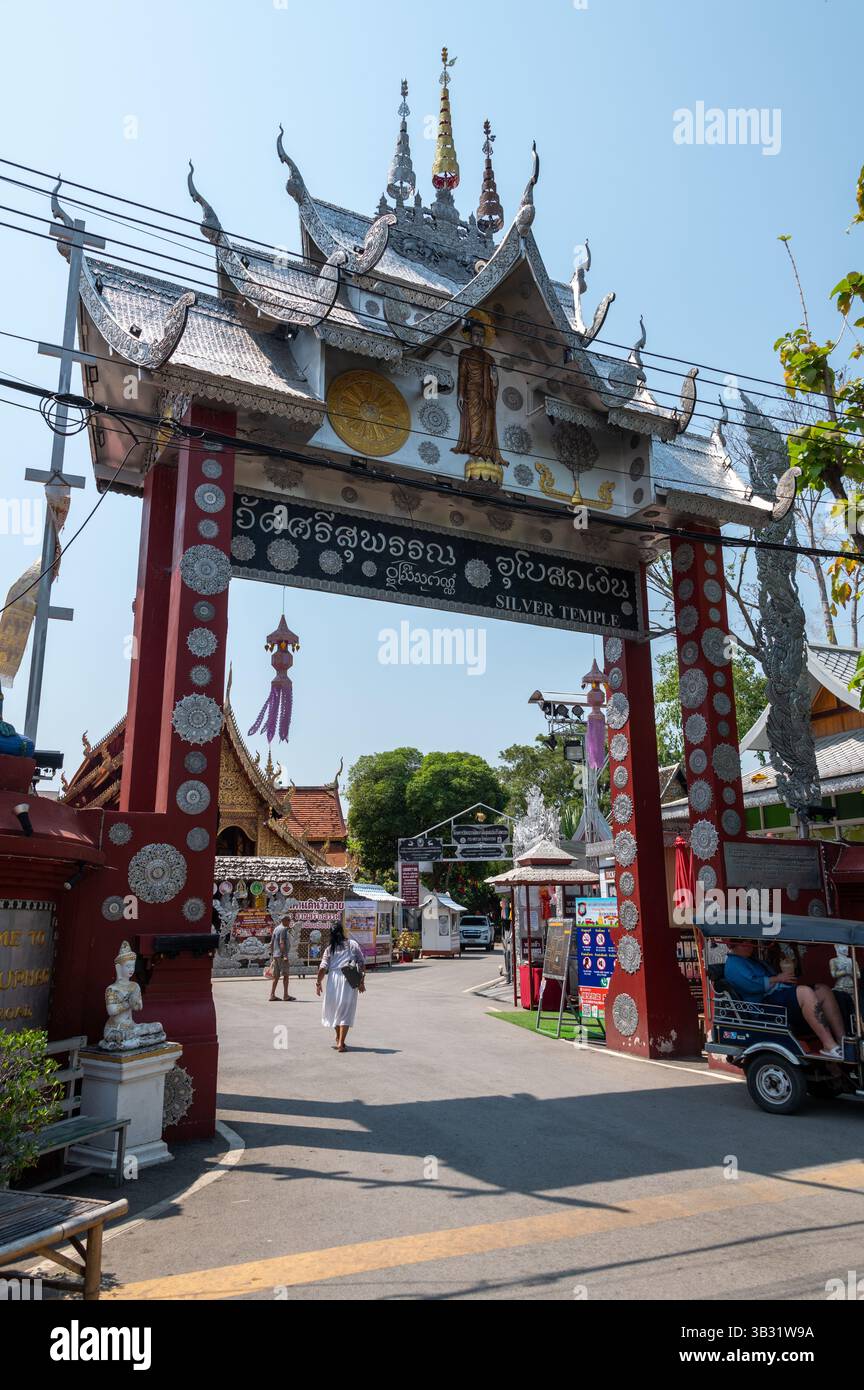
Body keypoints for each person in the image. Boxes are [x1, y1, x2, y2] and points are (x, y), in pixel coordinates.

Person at [723, 939, 846, 1058]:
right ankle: (829, 1045)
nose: (749, 946)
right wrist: (778, 979)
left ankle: (842, 1040)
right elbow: (752, 985)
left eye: (749, 943)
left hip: (777, 994)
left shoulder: (752, 960)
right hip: (762, 1005)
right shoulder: (733, 964)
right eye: (744, 944)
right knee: (805, 992)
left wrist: (784, 979)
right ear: (734, 946)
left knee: (822, 989)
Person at [316, 923, 366, 1052]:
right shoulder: (352, 944)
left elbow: (322, 968)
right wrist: (361, 981)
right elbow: (361, 963)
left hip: (333, 981)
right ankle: (341, 1042)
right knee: (345, 1011)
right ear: (342, 931)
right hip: (349, 980)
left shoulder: (329, 949)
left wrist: (318, 983)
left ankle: (339, 1038)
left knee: (335, 1010)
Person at [268, 920, 295, 1002]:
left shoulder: (276, 929)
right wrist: (285, 956)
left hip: (276, 955)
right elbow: (282, 943)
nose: (289, 922)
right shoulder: (283, 929)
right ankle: (286, 995)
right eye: (288, 921)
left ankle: (272, 995)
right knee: (286, 975)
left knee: (275, 976)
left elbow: (271, 943)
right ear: (284, 921)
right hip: (282, 956)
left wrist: (273, 955)